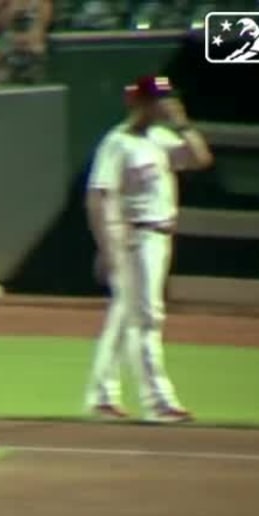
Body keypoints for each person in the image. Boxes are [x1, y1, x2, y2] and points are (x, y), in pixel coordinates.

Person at [83, 75, 212, 424]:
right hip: (134, 237)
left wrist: (182, 123)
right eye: (157, 98)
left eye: (167, 97)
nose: (164, 104)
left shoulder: (160, 137)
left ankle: (101, 395)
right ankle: (158, 400)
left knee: (125, 316)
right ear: (139, 102)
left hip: (159, 234)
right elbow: (98, 196)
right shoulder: (118, 142)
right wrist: (107, 247)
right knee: (148, 317)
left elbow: (201, 159)